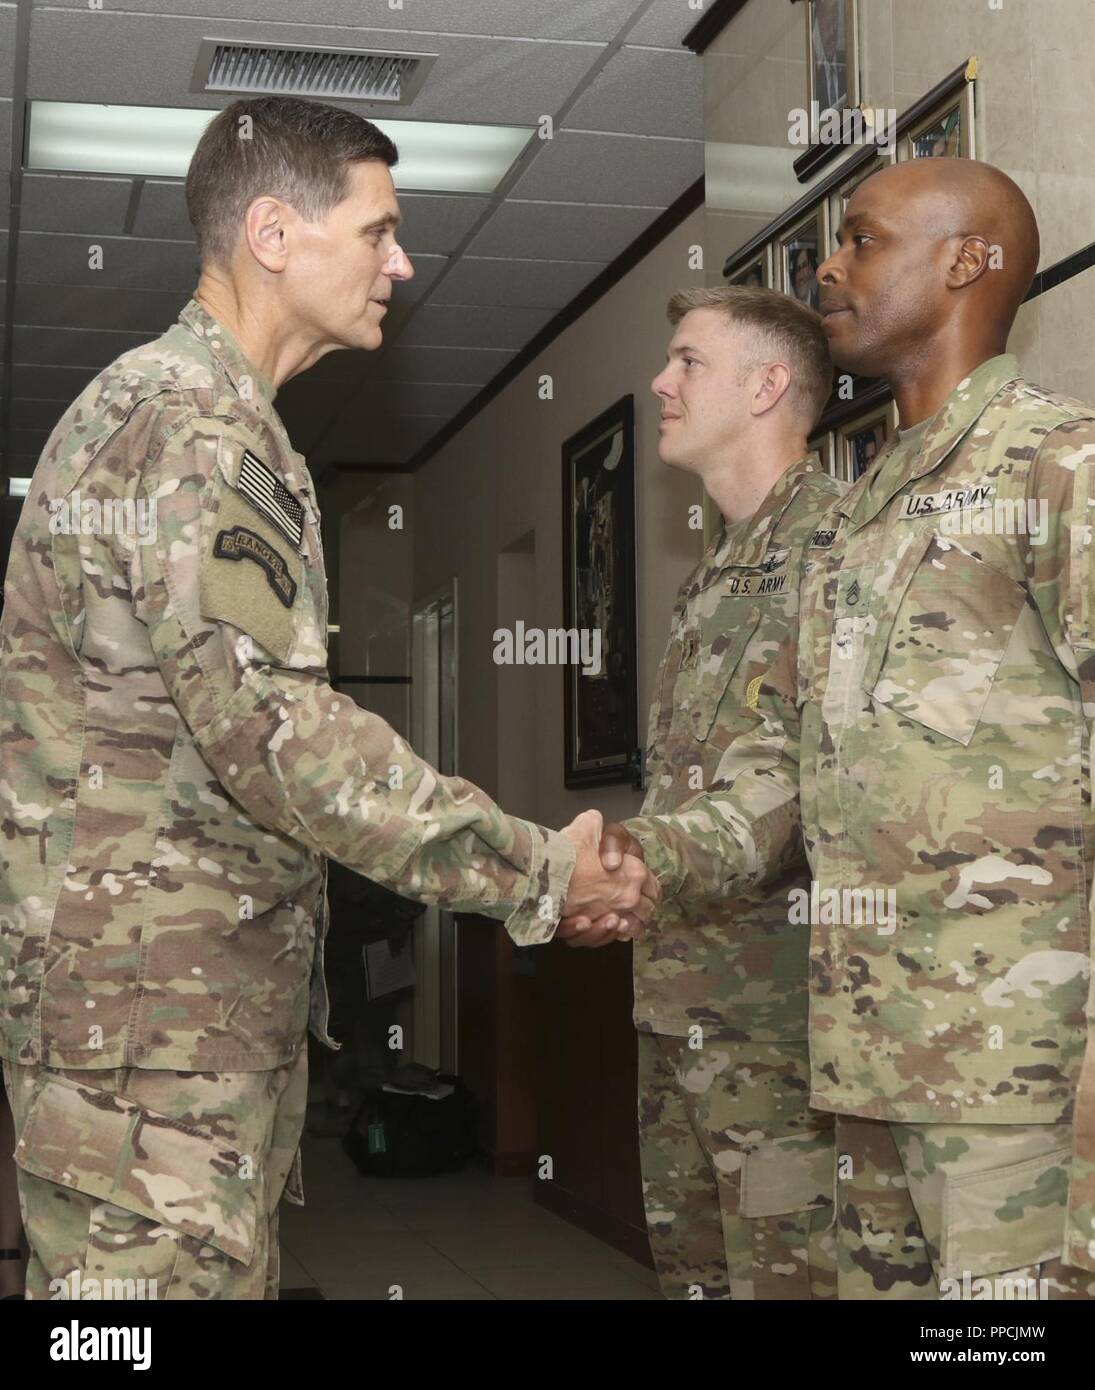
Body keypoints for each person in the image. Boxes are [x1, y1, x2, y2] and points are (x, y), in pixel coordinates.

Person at [0, 95, 656, 1301]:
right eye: (378, 230)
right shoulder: (197, 426)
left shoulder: (198, 418)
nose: (402, 261)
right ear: (273, 234)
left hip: (159, 1030)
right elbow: (279, 733)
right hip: (149, 1047)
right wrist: (537, 870)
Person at [573, 157, 1095, 1297]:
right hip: (863, 1062)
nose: (829, 264)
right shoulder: (860, 520)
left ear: (965, 263)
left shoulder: (1059, 460)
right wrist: (641, 859)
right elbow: (786, 770)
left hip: (1013, 1072)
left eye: (863, 239)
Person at [630, 285, 844, 1299]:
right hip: (678, 1006)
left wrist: (629, 864)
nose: (661, 384)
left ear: (766, 386)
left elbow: (797, 784)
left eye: (688, 363)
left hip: (780, 1032)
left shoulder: (840, 550)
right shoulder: (709, 578)